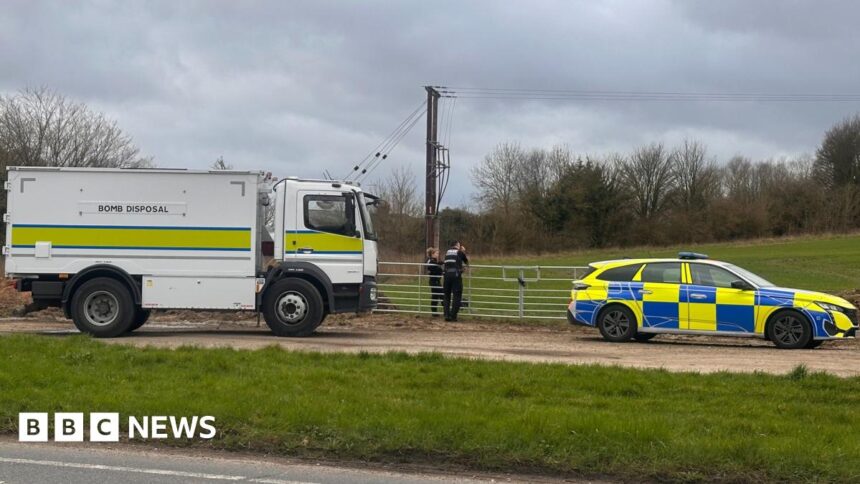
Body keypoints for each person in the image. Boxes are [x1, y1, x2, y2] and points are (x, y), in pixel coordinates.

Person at [442, 240, 469, 322]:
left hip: (446, 275)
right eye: (459, 245)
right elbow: (466, 261)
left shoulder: (447, 252)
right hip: (455, 275)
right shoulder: (459, 252)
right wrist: (463, 251)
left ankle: (447, 315)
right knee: (457, 296)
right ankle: (453, 316)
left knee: (447, 296)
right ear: (457, 245)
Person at [424, 247, 443, 316]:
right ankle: (446, 311)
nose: (438, 254)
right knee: (442, 295)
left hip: (436, 281)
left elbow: (437, 267)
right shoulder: (430, 260)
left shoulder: (433, 260)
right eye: (436, 253)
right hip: (434, 281)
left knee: (435, 296)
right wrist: (442, 264)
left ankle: (434, 312)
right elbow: (434, 267)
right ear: (432, 254)